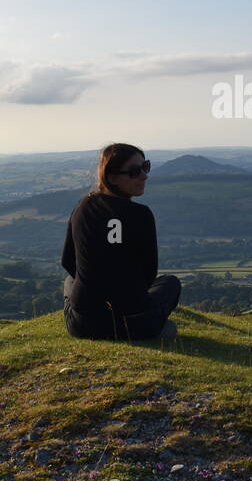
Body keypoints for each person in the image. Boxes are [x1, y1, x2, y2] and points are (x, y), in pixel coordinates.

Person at [60, 143, 182, 340]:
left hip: (84, 325)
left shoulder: (83, 206)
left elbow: (68, 261)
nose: (144, 176)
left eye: (146, 167)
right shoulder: (141, 215)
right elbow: (149, 274)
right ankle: (155, 328)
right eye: (135, 171)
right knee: (171, 283)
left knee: (70, 281)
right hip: (135, 321)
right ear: (111, 177)